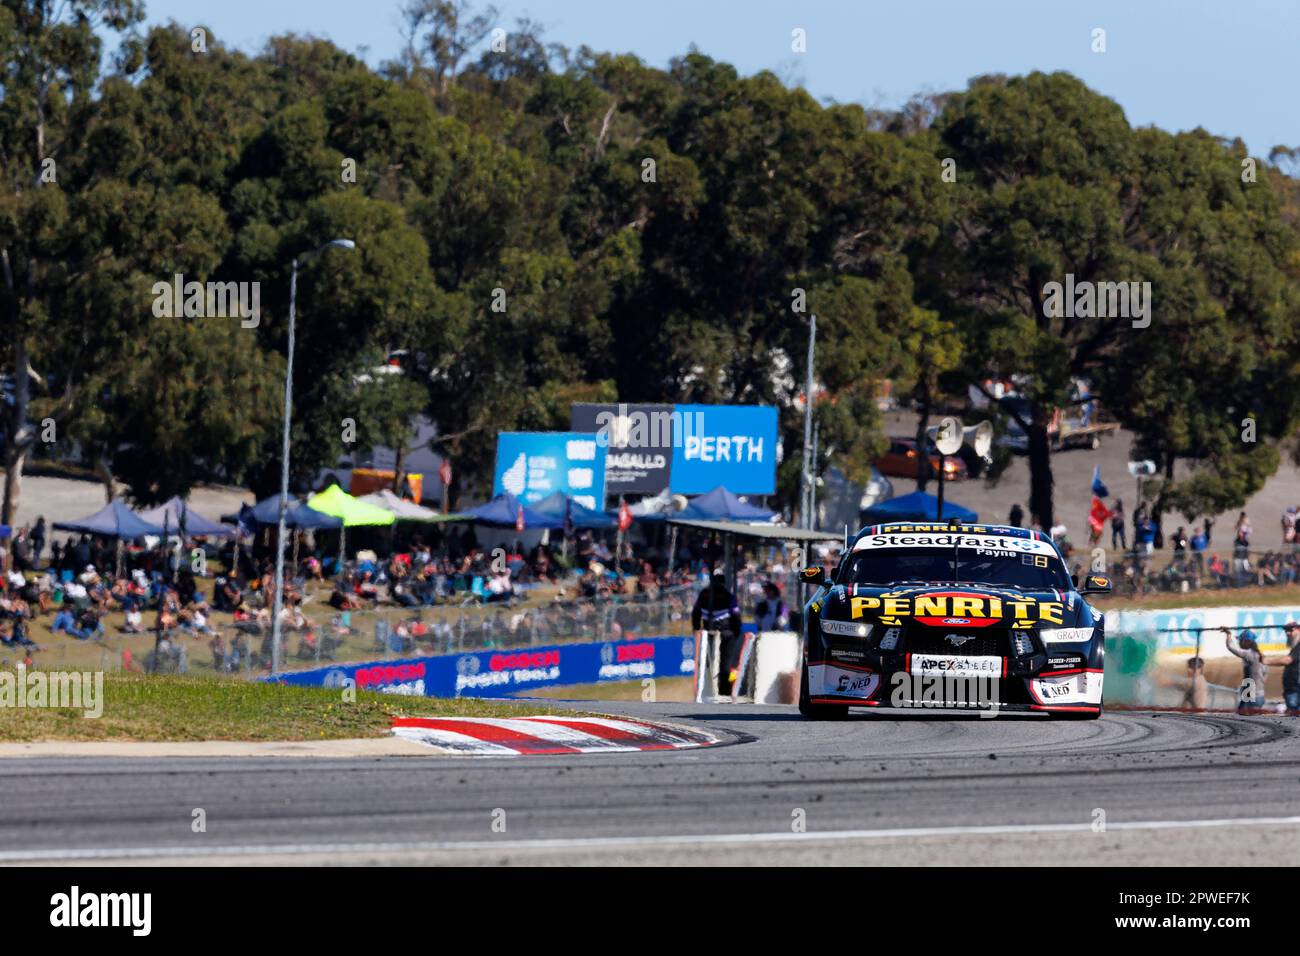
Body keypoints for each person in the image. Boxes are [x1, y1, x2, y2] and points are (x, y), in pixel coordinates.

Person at [691, 571, 742, 696]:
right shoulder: (728, 596)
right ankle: (724, 691)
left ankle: (709, 690)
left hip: (709, 634)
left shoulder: (704, 594)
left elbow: (695, 613)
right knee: (726, 664)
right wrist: (736, 633)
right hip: (726, 634)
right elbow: (736, 617)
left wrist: (697, 629)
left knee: (709, 663)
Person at [1222, 627, 1267, 713]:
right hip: (1259, 695)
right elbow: (1265, 674)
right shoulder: (1260, 655)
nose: (1239, 643)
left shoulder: (1249, 654)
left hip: (1251, 696)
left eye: (1240, 640)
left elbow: (1231, 647)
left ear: (1244, 641)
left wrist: (1228, 635)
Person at [1265, 622, 1300, 716]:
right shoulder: (1295, 647)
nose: (1287, 633)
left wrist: (1267, 661)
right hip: (1292, 687)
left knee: (1294, 716)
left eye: (1291, 630)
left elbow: (1287, 660)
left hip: (1295, 688)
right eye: (1286, 630)